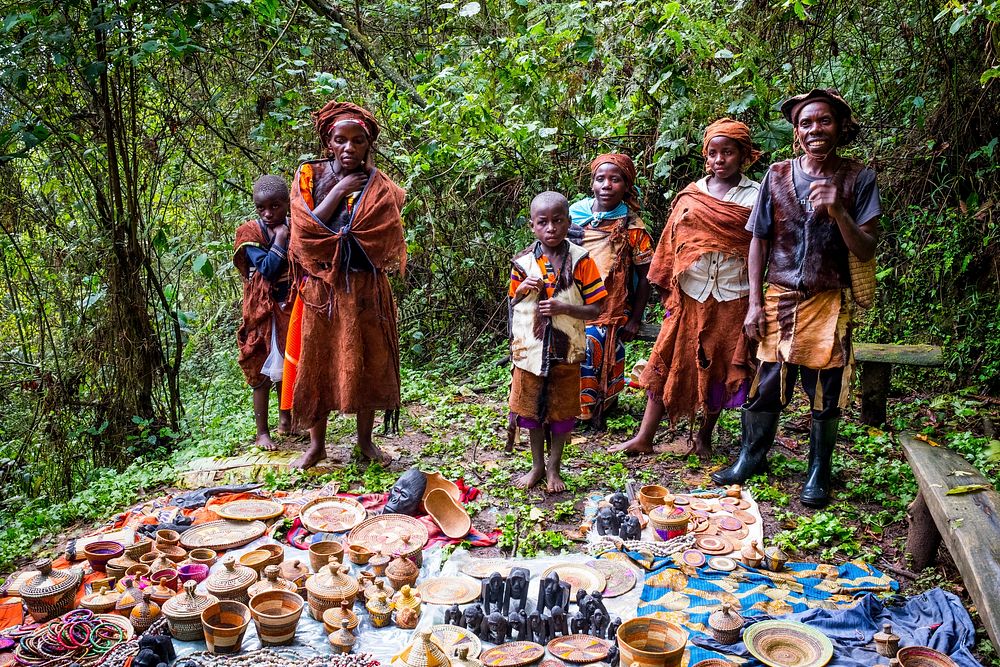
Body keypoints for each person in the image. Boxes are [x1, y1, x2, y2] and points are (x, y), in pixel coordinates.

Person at [711, 89, 880, 508]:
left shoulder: (858, 177)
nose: (815, 130)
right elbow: (759, 241)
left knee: (824, 387)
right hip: (779, 296)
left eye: (823, 121)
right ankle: (752, 455)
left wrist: (839, 210)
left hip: (828, 301)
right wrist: (753, 301)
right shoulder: (778, 174)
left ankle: (818, 470)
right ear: (796, 132)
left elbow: (866, 249)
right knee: (765, 382)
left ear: (840, 126)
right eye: (806, 123)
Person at [610, 119, 761, 458]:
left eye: (727, 152)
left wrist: (758, 300)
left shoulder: (757, 195)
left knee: (719, 368)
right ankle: (644, 436)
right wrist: (668, 290)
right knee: (665, 360)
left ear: (744, 156)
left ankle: (703, 436)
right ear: (705, 157)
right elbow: (670, 241)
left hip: (733, 294)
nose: (719, 160)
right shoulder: (693, 195)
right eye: (712, 153)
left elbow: (761, 246)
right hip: (688, 296)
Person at [280, 100, 406, 469]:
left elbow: (386, 236)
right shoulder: (309, 175)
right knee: (317, 362)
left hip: (366, 288)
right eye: (341, 140)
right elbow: (304, 230)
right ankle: (316, 445)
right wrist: (340, 189)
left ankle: (364, 443)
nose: (349, 148)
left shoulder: (380, 184)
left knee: (368, 360)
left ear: (368, 145)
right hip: (322, 290)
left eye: (357, 141)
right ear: (328, 143)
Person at [508, 191, 607, 492]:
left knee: (562, 414)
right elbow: (512, 304)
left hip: (567, 352)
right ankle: (537, 465)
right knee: (532, 412)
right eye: (543, 222)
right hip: (530, 353)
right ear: (532, 226)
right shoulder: (523, 263)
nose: (551, 228)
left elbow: (597, 307)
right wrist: (522, 289)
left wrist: (565, 308)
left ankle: (554, 468)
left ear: (568, 222)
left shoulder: (581, 261)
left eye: (558, 221)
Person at [569, 154, 653, 428]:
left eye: (615, 179)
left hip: (611, 306)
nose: (606, 185)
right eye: (600, 179)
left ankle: (598, 405)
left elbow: (646, 275)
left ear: (626, 186)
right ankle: (565, 406)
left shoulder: (632, 228)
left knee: (595, 341)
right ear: (592, 183)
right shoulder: (573, 219)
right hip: (571, 301)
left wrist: (635, 318)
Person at [234, 175, 293, 451]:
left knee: (285, 362)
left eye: (276, 207)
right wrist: (281, 238)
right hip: (260, 312)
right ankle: (262, 432)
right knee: (261, 369)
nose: (268, 214)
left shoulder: (297, 227)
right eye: (262, 208)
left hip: (288, 307)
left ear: (287, 205)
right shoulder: (251, 232)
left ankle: (286, 421)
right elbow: (267, 269)